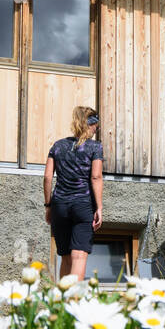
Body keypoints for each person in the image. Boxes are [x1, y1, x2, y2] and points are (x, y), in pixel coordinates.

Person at [44, 105, 103, 281]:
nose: (95, 130)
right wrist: (99, 207)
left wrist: (48, 206)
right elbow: (96, 177)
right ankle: (74, 301)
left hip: (59, 205)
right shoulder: (95, 147)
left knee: (66, 257)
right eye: (95, 126)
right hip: (83, 205)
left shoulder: (58, 146)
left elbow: (47, 177)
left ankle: (62, 302)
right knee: (79, 256)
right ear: (90, 125)